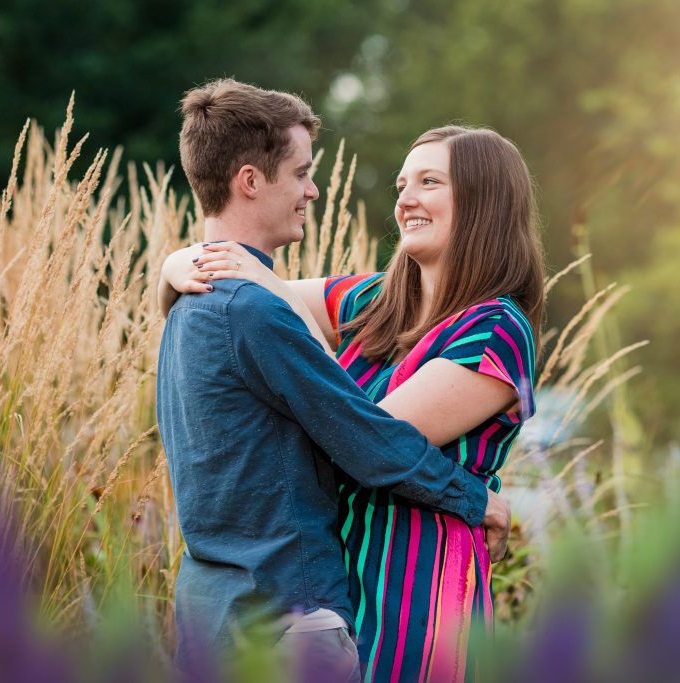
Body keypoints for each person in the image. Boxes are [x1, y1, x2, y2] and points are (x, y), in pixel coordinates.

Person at [155, 80, 512, 681]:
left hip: (207, 613)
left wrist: (175, 263)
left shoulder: (191, 306)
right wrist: (477, 500)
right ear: (250, 181)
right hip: (284, 618)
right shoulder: (256, 312)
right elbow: (365, 438)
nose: (312, 190)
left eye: (428, 182)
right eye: (300, 174)